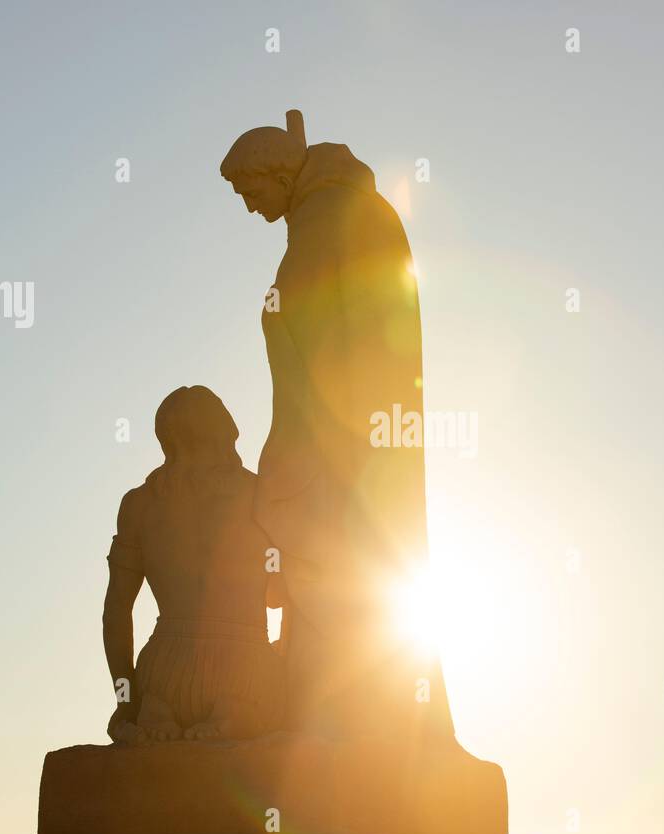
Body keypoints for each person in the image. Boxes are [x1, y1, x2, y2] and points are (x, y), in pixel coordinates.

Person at [220, 110, 454, 741]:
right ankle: (339, 712)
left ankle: (341, 719)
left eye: (249, 192)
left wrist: (274, 322)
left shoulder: (328, 220)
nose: (249, 208)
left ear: (276, 171)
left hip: (340, 442)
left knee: (328, 558)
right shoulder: (348, 213)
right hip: (363, 436)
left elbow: (323, 340)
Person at [103, 386, 283, 744]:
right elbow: (279, 597)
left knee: (156, 709)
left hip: (163, 673)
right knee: (262, 702)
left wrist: (127, 700)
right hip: (244, 668)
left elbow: (116, 612)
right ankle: (232, 714)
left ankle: (160, 711)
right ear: (224, 433)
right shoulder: (261, 496)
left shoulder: (138, 505)